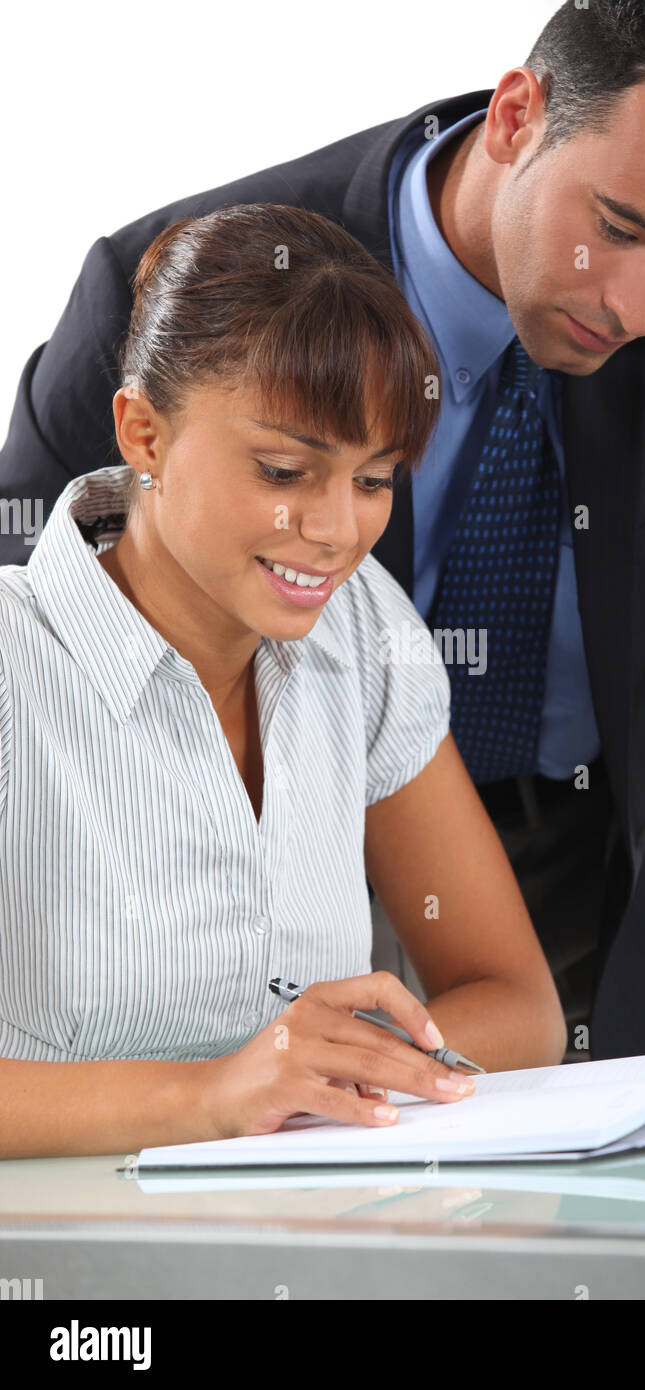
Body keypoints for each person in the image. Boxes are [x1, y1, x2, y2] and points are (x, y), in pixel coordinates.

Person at [1, 0, 645, 1060]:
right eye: (617, 229)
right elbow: (44, 670)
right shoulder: (190, 304)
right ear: (514, 116)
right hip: (268, 894)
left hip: (608, 872)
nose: (642, 308)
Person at [0, 204, 567, 1159]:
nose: (338, 530)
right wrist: (220, 1093)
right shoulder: (17, 667)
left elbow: (520, 1007)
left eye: (375, 478)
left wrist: (337, 1068)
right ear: (142, 435)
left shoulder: (362, 633)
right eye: (284, 470)